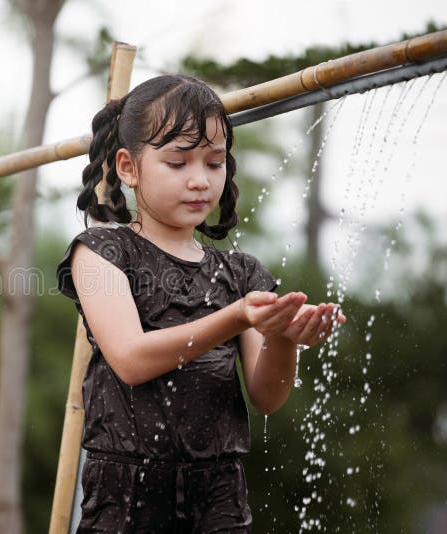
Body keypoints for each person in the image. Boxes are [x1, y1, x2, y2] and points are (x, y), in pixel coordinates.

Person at [55, 74, 346, 533]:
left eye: (214, 163)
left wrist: (282, 338)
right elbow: (130, 359)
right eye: (177, 163)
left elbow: (268, 397)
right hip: (125, 496)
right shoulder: (100, 253)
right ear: (129, 168)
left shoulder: (242, 274)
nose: (199, 181)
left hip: (220, 497)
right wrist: (232, 317)